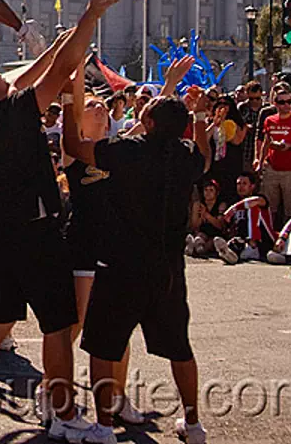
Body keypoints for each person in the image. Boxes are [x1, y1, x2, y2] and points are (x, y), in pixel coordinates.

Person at [0, 0, 120, 437]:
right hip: (36, 231)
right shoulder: (15, 111)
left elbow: (34, 73)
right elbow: (57, 73)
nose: (0, 73)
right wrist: (89, 17)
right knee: (58, 326)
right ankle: (64, 416)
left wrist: (63, 42)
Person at [63, 93, 210, 444]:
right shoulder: (184, 154)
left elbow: (72, 144)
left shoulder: (125, 151)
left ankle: (102, 426)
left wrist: (69, 101)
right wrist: (201, 115)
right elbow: (205, 157)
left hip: (121, 264)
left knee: (102, 347)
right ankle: (193, 424)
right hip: (168, 268)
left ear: (149, 122)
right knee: (179, 348)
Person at [255, 85, 291, 227]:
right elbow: (266, 142)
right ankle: (268, 236)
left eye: (288, 102)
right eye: (282, 102)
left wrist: (290, 146)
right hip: (272, 168)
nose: (286, 105)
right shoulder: (269, 120)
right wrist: (260, 163)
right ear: (275, 103)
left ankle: (287, 238)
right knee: (269, 206)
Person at [213, 173, 276, 264]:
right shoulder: (234, 202)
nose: (241, 187)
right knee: (233, 242)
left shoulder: (261, 199)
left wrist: (232, 209)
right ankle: (231, 254)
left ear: (252, 186)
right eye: (239, 184)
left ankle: (252, 247)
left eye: (244, 183)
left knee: (252, 207)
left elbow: (254, 201)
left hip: (262, 242)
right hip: (242, 240)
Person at [186, 180, 228, 259]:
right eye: (206, 190)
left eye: (211, 190)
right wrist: (200, 217)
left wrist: (206, 215)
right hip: (203, 232)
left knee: (211, 242)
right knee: (200, 237)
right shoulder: (199, 205)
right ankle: (194, 245)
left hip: (216, 234)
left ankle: (197, 249)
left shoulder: (221, 205)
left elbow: (220, 226)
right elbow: (194, 226)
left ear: (217, 193)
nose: (208, 193)